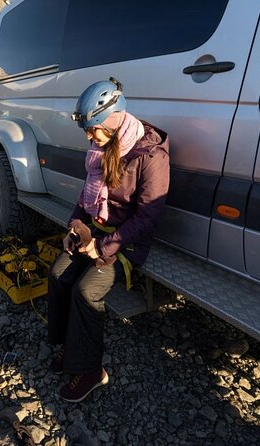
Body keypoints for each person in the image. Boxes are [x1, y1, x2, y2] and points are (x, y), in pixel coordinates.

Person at [46, 78, 170, 402]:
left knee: (86, 291)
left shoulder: (150, 155)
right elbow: (86, 197)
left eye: (94, 129)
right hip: (96, 232)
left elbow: (147, 218)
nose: (90, 137)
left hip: (126, 242)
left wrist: (102, 246)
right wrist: (74, 226)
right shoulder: (101, 147)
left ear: (113, 119)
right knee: (58, 275)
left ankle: (90, 370)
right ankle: (68, 348)